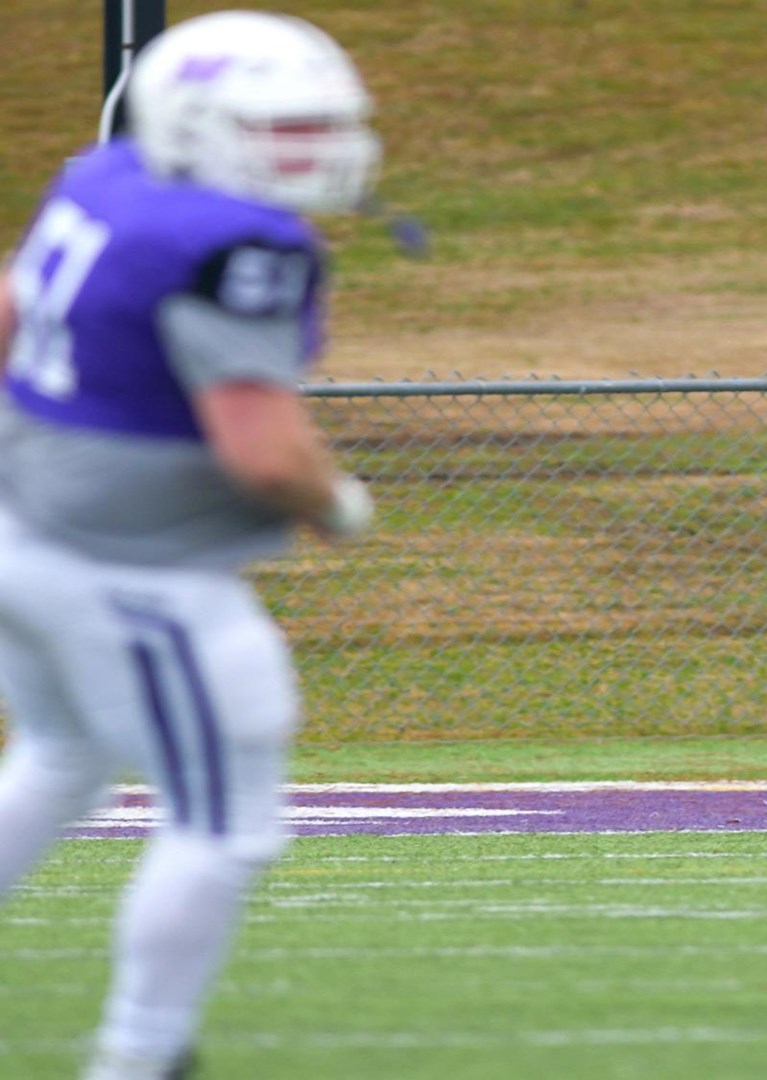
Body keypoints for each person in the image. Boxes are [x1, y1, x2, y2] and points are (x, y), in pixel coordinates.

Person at [0, 12, 381, 1079]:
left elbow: (11, 311)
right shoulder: (235, 241)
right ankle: (141, 1056)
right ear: (192, 122)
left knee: (61, 756)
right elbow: (260, 448)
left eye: (320, 125)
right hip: (134, 569)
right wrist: (337, 505)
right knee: (225, 821)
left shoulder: (107, 177)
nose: (310, 151)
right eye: (280, 128)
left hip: (24, 524)